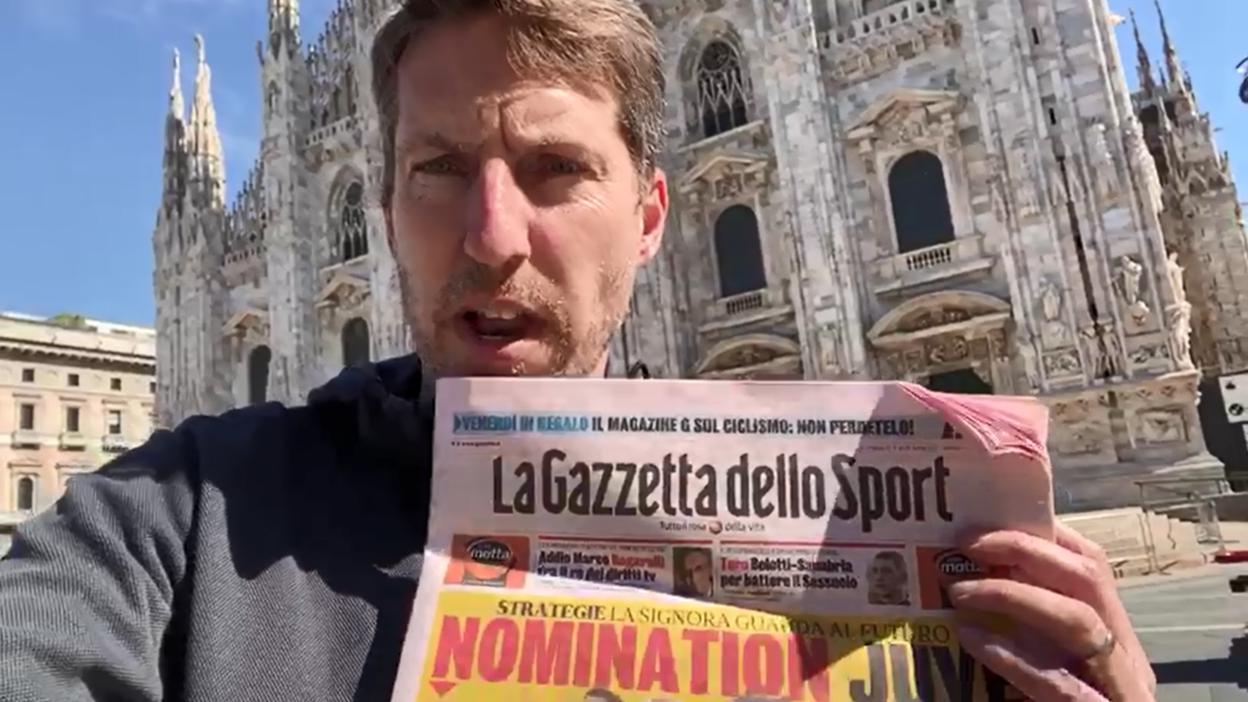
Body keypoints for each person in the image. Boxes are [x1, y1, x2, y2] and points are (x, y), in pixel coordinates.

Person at [0, 1, 1156, 700]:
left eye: (557, 169)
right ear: (385, 205)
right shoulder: (185, 521)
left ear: (651, 216)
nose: (495, 237)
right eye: (438, 170)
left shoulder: (852, 533)